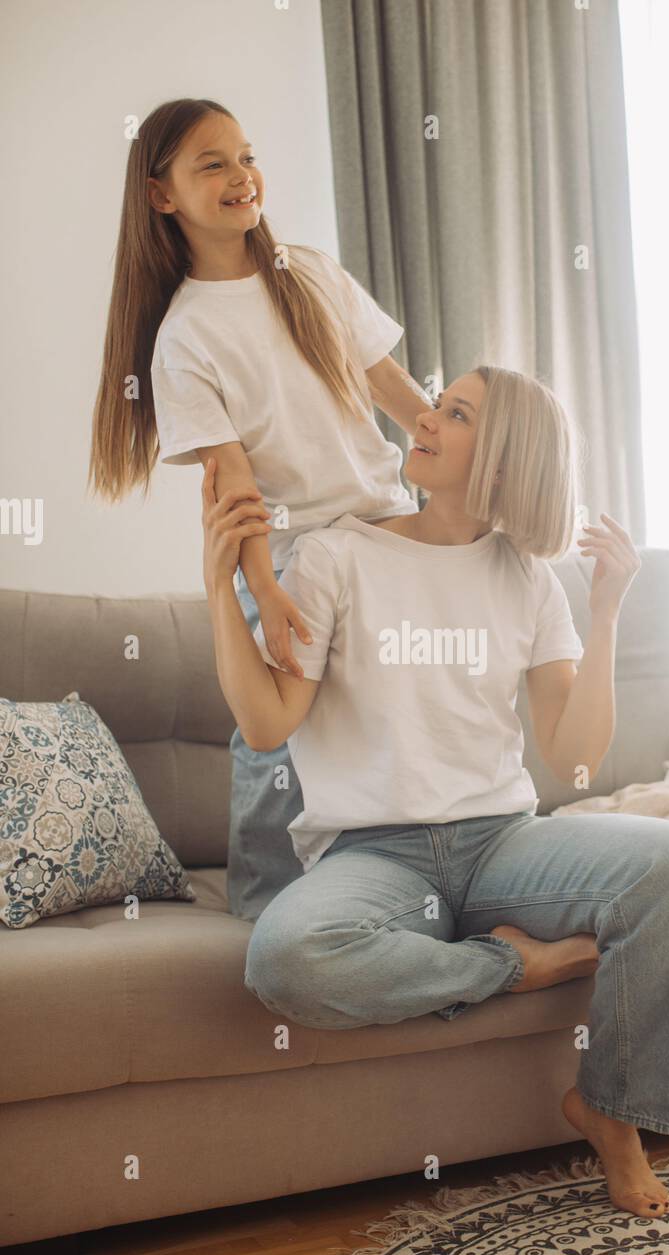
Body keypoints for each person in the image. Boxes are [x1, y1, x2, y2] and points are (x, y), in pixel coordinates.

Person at [201, 364, 669, 1220]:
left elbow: (575, 755)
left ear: (506, 461)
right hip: (375, 855)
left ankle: (612, 1113)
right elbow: (266, 725)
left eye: (456, 413)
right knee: (284, 957)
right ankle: (514, 963)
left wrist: (607, 611)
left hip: (501, 845)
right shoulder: (338, 554)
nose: (424, 418)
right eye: (436, 405)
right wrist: (221, 587)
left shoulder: (525, 579)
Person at [88, 96, 430, 924]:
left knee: (397, 718)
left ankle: (404, 884)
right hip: (288, 552)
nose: (243, 176)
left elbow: (397, 392)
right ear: (161, 195)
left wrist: (453, 455)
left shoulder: (309, 273)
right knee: (273, 738)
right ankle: (265, 905)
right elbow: (234, 490)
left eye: (246, 156)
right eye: (213, 164)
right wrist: (264, 592)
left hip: (385, 531)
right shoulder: (185, 337)